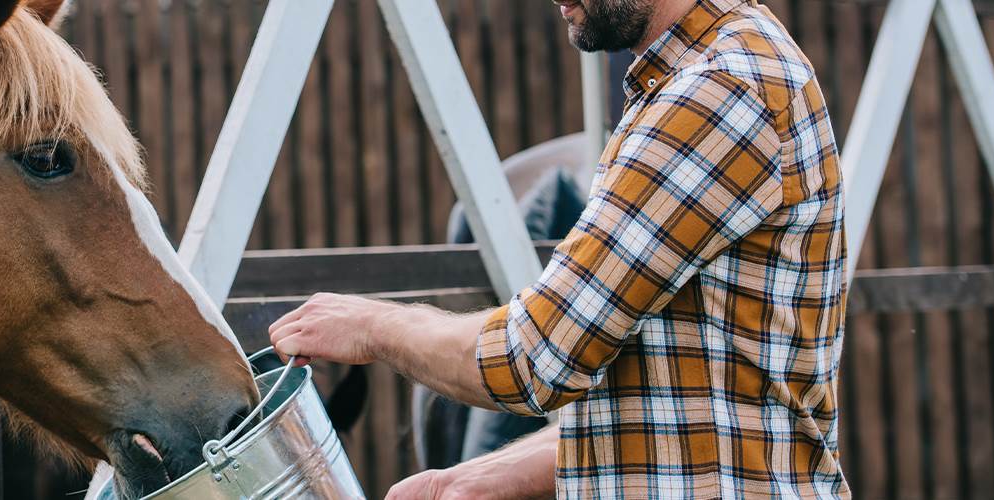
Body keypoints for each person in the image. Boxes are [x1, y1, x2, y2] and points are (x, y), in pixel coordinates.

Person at [268, 0, 849, 496]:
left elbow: (534, 356)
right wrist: (475, 480)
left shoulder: (719, 93)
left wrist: (373, 326)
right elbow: (672, 398)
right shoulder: (708, 75)